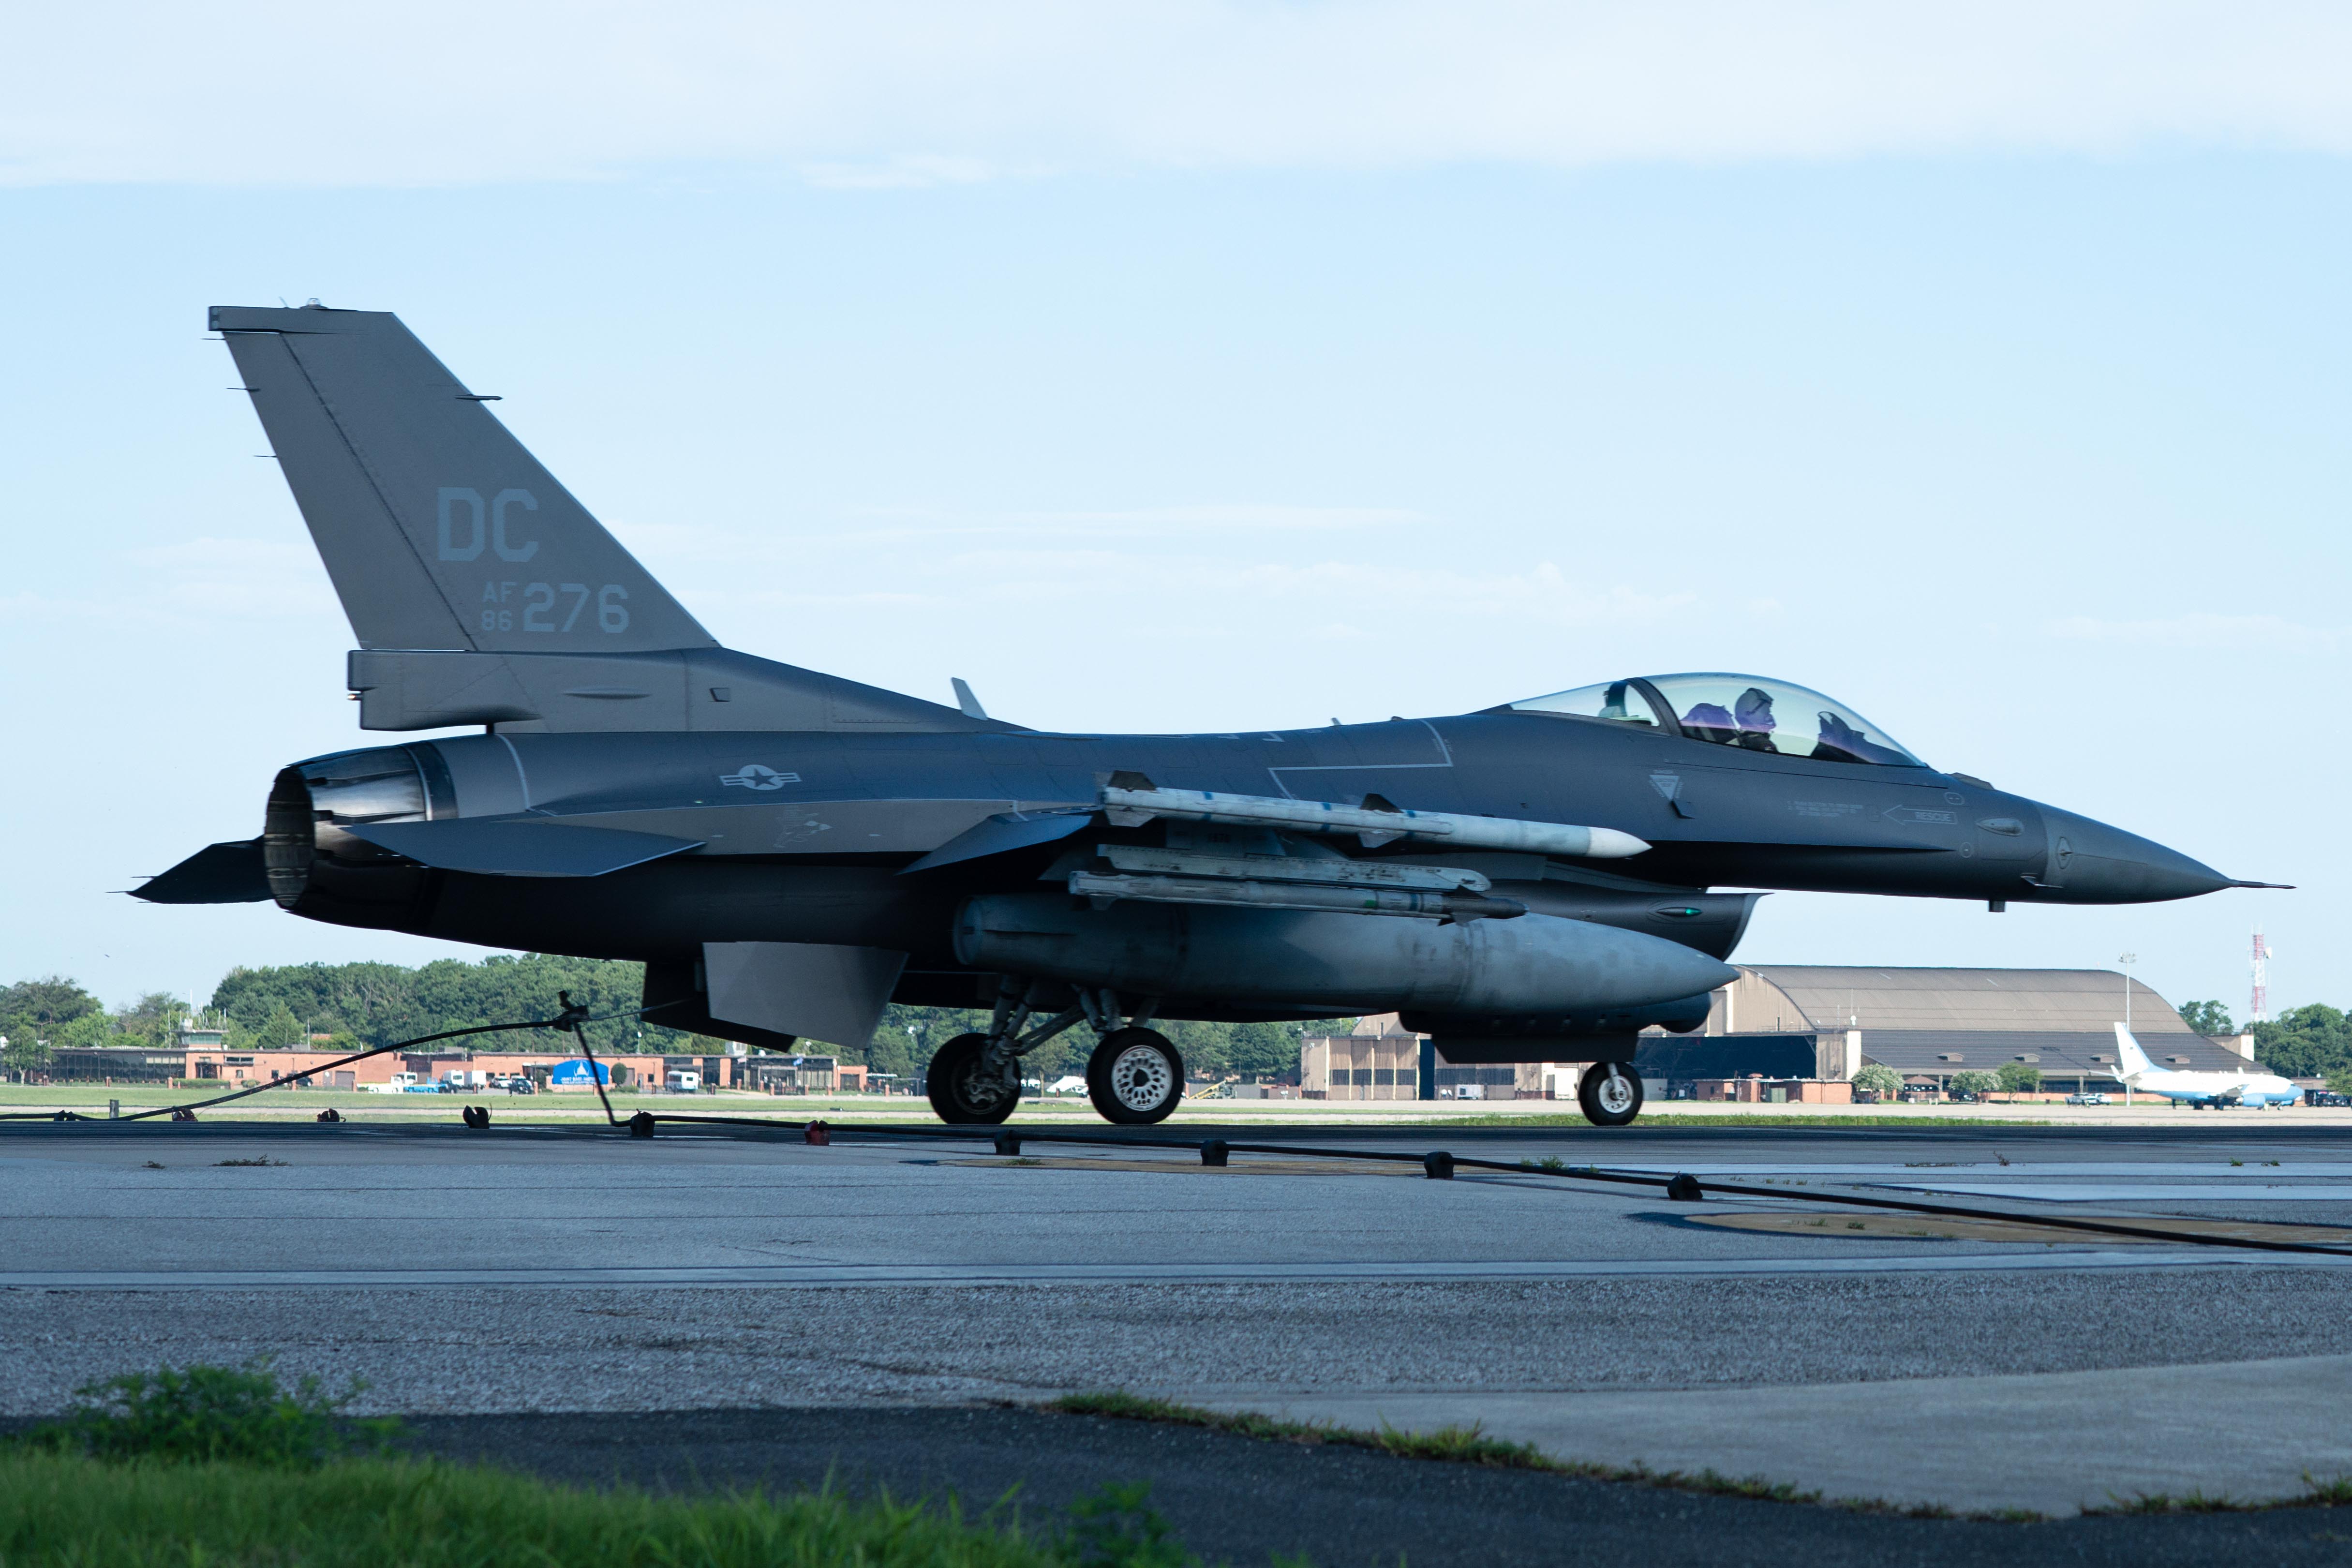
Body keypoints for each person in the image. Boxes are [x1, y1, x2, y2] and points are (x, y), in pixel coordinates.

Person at [1730, 687, 1778, 751]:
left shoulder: (1744, 740)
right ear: (1751, 713)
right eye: (1767, 711)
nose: (1769, 714)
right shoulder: (1762, 744)